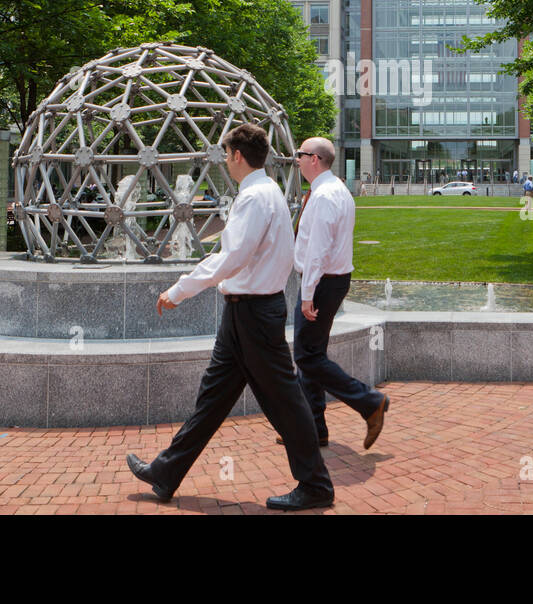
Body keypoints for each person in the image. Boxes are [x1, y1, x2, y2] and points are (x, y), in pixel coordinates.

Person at [126, 124, 333, 511]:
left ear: (238, 155)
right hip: (246, 313)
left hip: (253, 314)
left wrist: (179, 291)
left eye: (225, 153)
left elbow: (231, 258)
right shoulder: (265, 192)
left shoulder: (255, 197)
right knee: (213, 400)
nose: (223, 160)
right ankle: (165, 472)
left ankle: (317, 485)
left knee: (286, 402)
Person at [285, 137, 389, 450]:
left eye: (300, 155)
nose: (297, 160)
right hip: (331, 280)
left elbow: (318, 249)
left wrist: (307, 294)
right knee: (312, 355)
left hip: (322, 282)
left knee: (306, 356)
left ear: (314, 159)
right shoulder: (334, 190)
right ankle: (313, 429)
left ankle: (369, 402)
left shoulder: (325, 196)